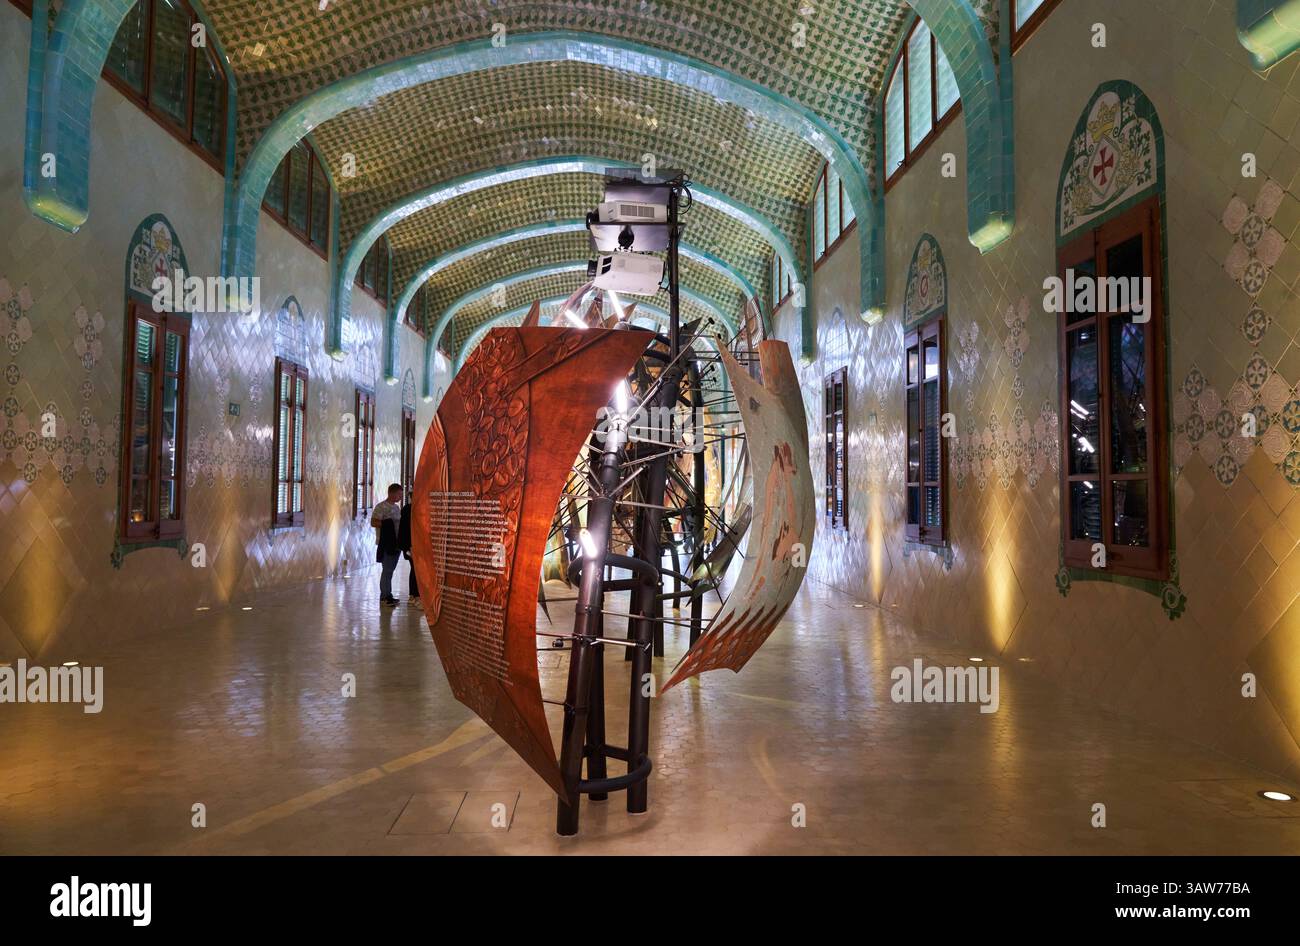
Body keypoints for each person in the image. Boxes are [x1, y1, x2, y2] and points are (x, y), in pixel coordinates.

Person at [371, 483, 403, 607]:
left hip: (396, 543)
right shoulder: (381, 507)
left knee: (390, 571)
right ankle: (384, 596)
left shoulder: (396, 508)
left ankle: (387, 594)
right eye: (399, 494)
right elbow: (373, 522)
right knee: (387, 570)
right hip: (386, 543)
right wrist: (387, 524)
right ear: (392, 493)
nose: (400, 497)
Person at [398, 494, 421, 609]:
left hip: (411, 545)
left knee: (415, 570)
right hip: (412, 545)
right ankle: (415, 596)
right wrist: (408, 547)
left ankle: (413, 595)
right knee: (416, 570)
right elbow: (405, 529)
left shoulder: (407, 509)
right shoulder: (409, 510)